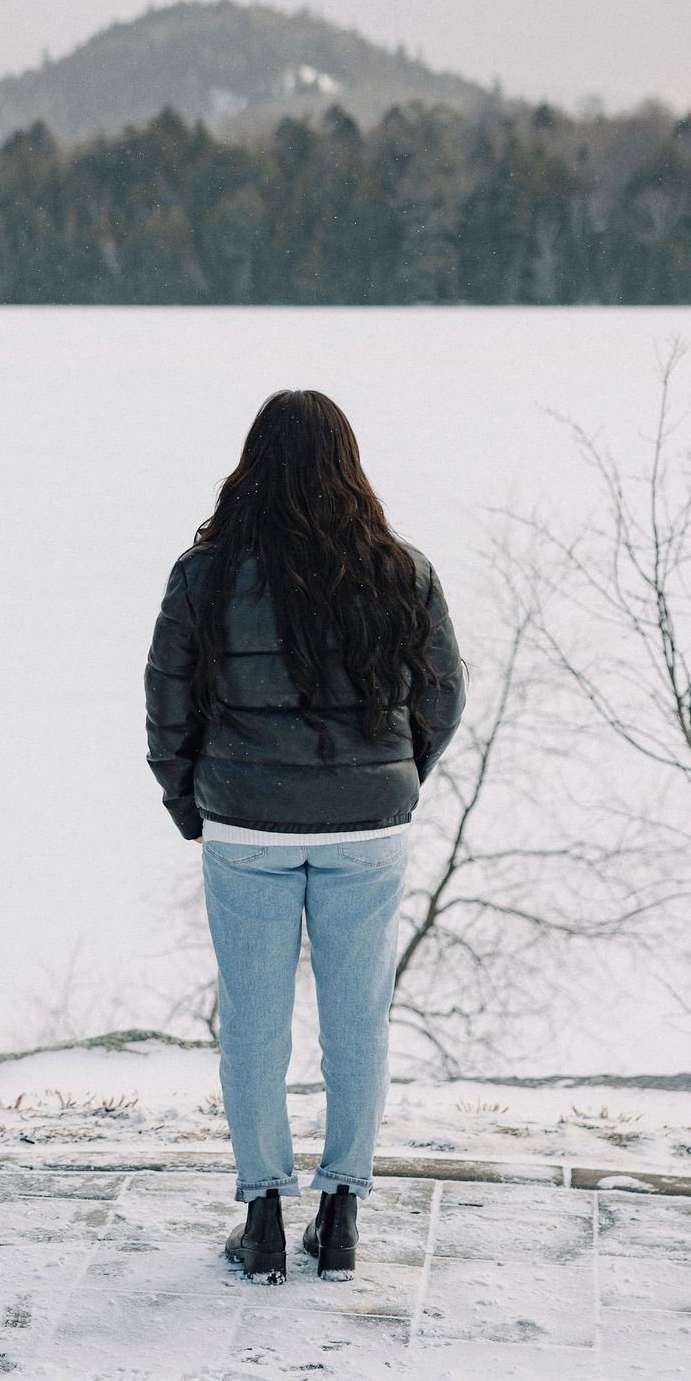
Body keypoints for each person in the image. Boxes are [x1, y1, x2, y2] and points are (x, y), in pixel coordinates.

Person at [145, 391, 464, 1283]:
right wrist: (392, 779)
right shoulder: (403, 572)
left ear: (253, 467)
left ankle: (263, 1220)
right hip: (368, 830)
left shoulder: (203, 576)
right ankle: (344, 1214)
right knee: (358, 1023)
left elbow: (167, 704)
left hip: (244, 825)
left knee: (253, 1028)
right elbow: (442, 697)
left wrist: (190, 804)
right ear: (348, 468)